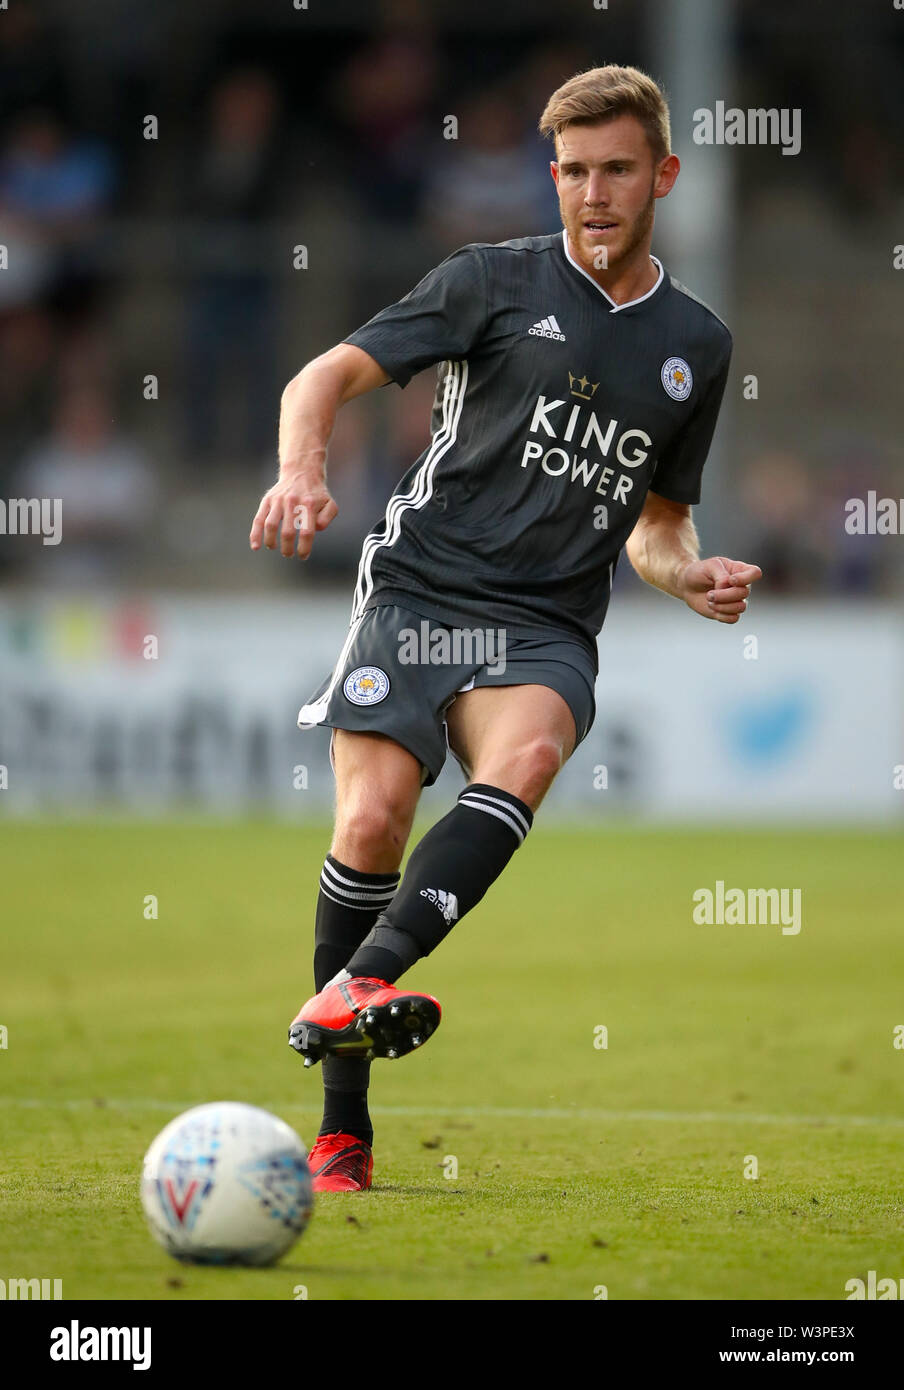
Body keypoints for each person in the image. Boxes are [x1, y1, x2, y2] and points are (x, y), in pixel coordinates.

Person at [250, 65, 762, 1193]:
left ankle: (358, 985)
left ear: (663, 176)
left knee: (526, 756)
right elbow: (321, 377)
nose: (592, 193)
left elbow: (655, 525)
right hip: (421, 588)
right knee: (372, 820)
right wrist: (301, 472)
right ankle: (345, 1126)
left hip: (545, 620)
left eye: (616, 169)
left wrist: (687, 574)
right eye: (573, 171)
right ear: (553, 177)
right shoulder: (489, 279)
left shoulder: (697, 343)